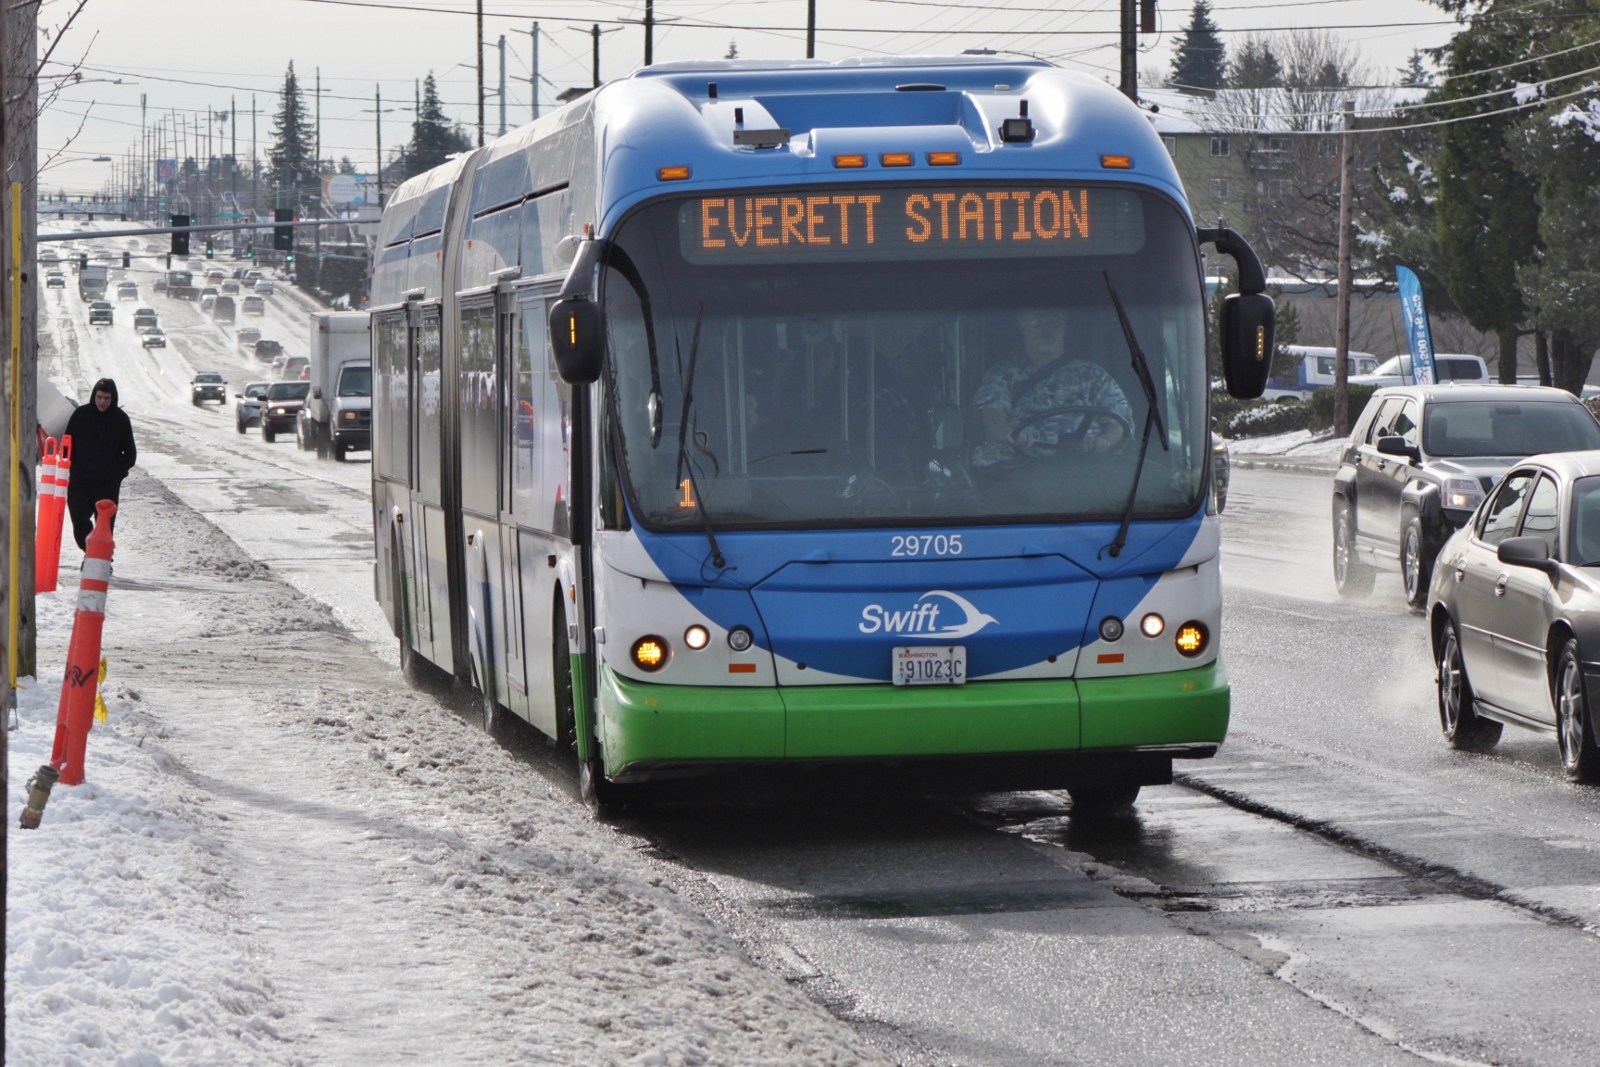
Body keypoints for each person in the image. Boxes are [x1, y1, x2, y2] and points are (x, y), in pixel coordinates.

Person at [972, 307, 1132, 468]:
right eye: (1038, 321)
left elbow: (1120, 420)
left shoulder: (1093, 375)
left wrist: (1105, 440)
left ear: (1064, 324)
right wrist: (1008, 432)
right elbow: (990, 415)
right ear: (1022, 326)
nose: (1046, 328)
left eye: (1054, 321)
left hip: (1087, 471)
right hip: (1023, 472)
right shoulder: (1002, 374)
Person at [63, 378, 136, 550]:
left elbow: (130, 453)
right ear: (94, 396)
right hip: (80, 481)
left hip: (107, 484)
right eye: (100, 397)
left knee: (105, 525)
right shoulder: (81, 415)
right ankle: (92, 552)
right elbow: (67, 443)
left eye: (107, 398)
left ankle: (102, 560)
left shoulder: (120, 419)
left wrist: (118, 474)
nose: (102, 402)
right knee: (79, 520)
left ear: (113, 399)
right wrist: (71, 467)